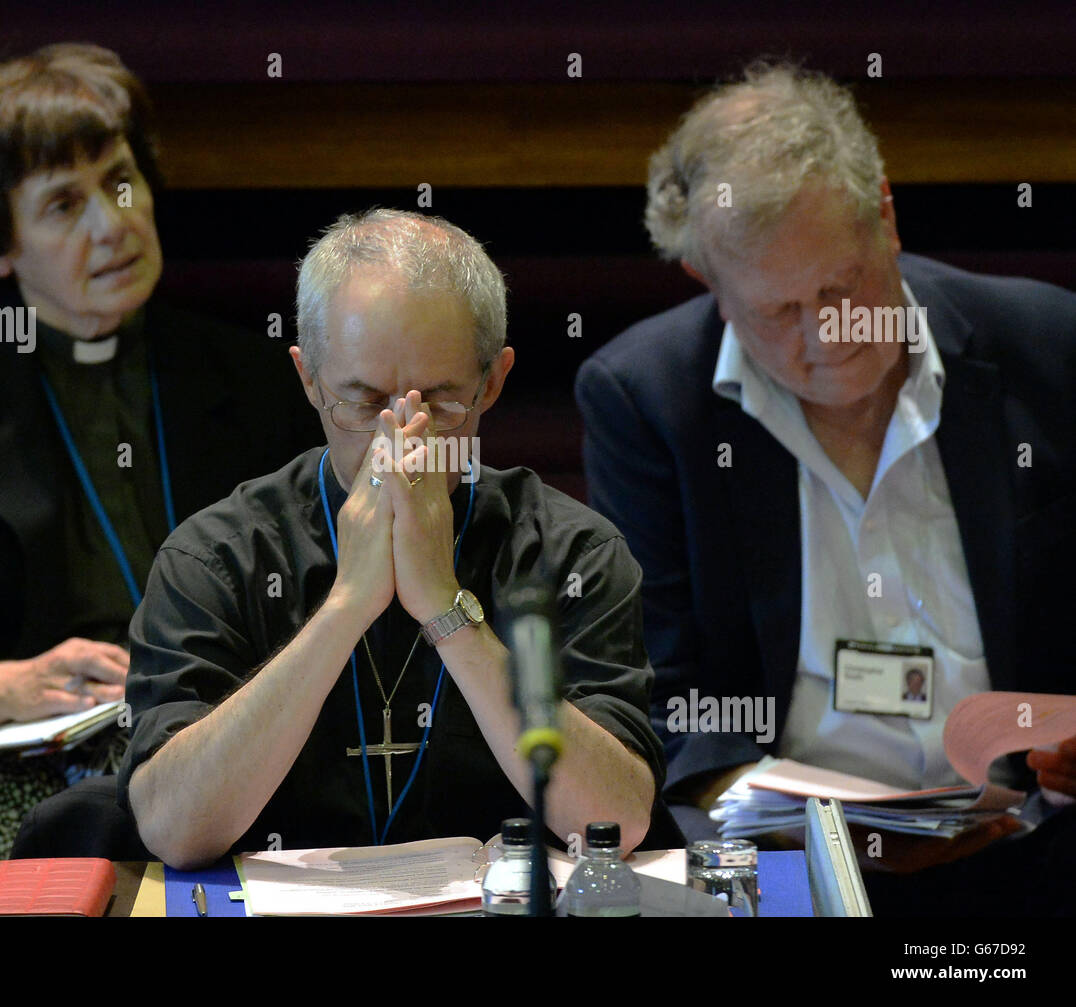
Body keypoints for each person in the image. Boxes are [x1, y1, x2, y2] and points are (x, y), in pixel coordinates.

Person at [575, 61, 1076, 911]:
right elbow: (663, 695)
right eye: (780, 310)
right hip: (789, 868)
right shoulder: (647, 401)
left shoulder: (1049, 345)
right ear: (712, 288)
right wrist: (789, 814)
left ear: (886, 212)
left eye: (843, 286)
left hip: (1042, 846)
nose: (831, 335)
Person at [0, 43, 319, 862]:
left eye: (122, 181)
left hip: (239, 759)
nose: (114, 222)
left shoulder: (258, 377)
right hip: (34, 784)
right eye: (64, 204)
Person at [121, 208, 676, 869]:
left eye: (439, 406)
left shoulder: (570, 552)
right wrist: (344, 609)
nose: (397, 446)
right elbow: (172, 827)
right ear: (307, 378)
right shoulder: (216, 555)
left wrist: (446, 606)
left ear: (492, 382)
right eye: (362, 403)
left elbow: (614, 820)